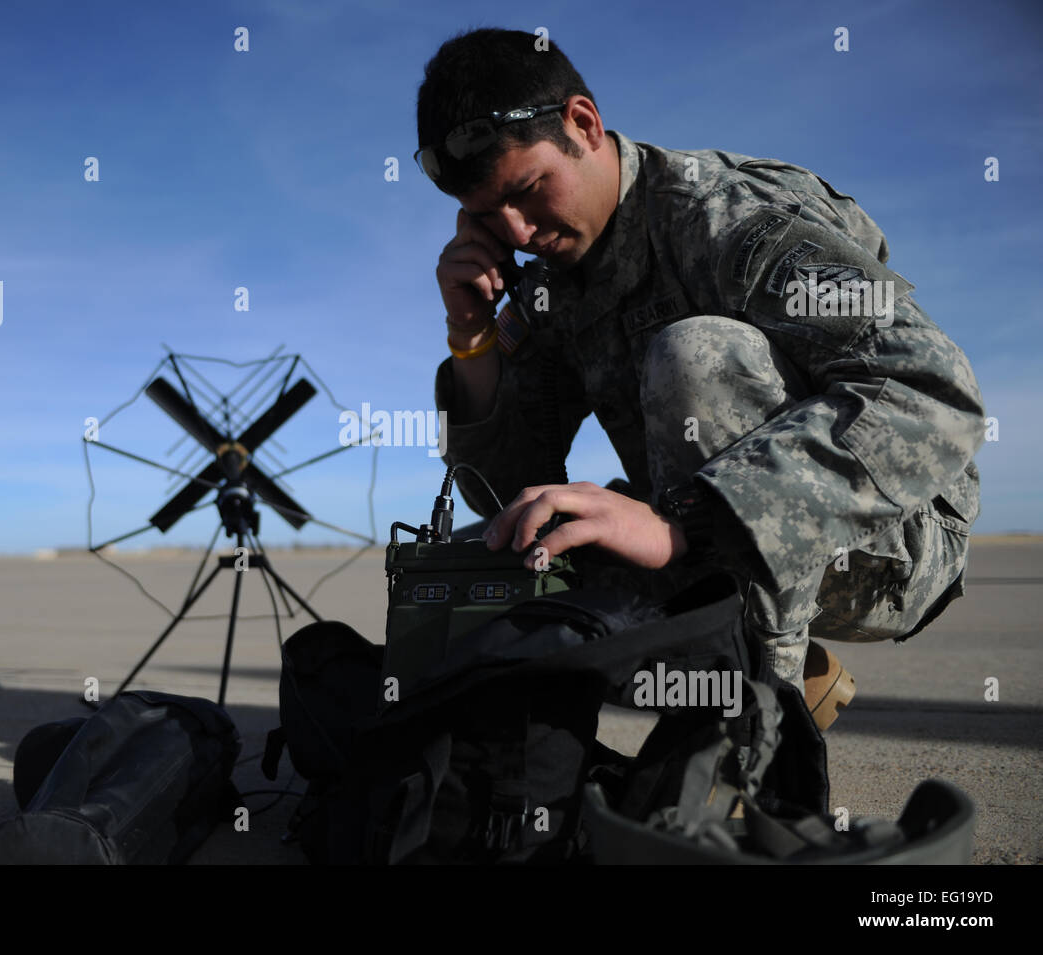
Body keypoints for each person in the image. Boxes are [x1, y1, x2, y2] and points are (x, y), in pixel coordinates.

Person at [415, 28, 985, 725]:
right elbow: (503, 492)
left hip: (893, 542)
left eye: (529, 190)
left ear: (584, 124)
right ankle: (762, 664)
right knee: (497, 565)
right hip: (707, 536)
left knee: (695, 358)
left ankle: (759, 728)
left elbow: (935, 393)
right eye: (485, 216)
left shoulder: (723, 220)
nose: (519, 231)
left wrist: (684, 520)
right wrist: (472, 341)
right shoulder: (551, 285)